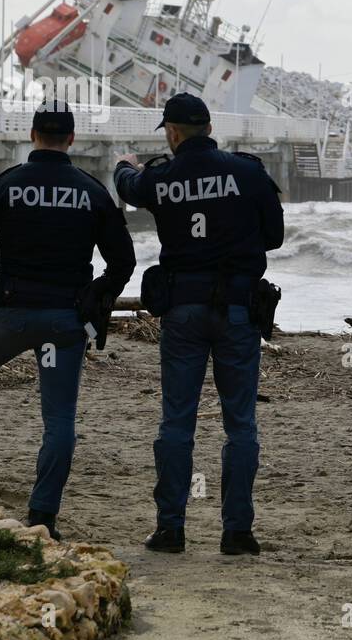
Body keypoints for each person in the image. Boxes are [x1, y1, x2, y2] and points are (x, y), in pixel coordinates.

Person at [0, 100, 136, 539]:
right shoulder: (91, 190)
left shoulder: (9, 184)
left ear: (32, 135)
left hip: (10, 314)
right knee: (59, 419)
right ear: (71, 139)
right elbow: (124, 261)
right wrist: (97, 296)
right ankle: (43, 516)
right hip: (64, 324)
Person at [114, 92, 284, 556]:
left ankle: (170, 529)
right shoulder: (248, 172)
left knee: (176, 421)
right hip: (237, 310)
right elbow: (274, 236)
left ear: (171, 133)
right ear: (209, 128)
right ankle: (238, 532)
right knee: (241, 423)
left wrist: (125, 164)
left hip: (183, 312)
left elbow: (129, 188)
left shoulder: (162, 176)